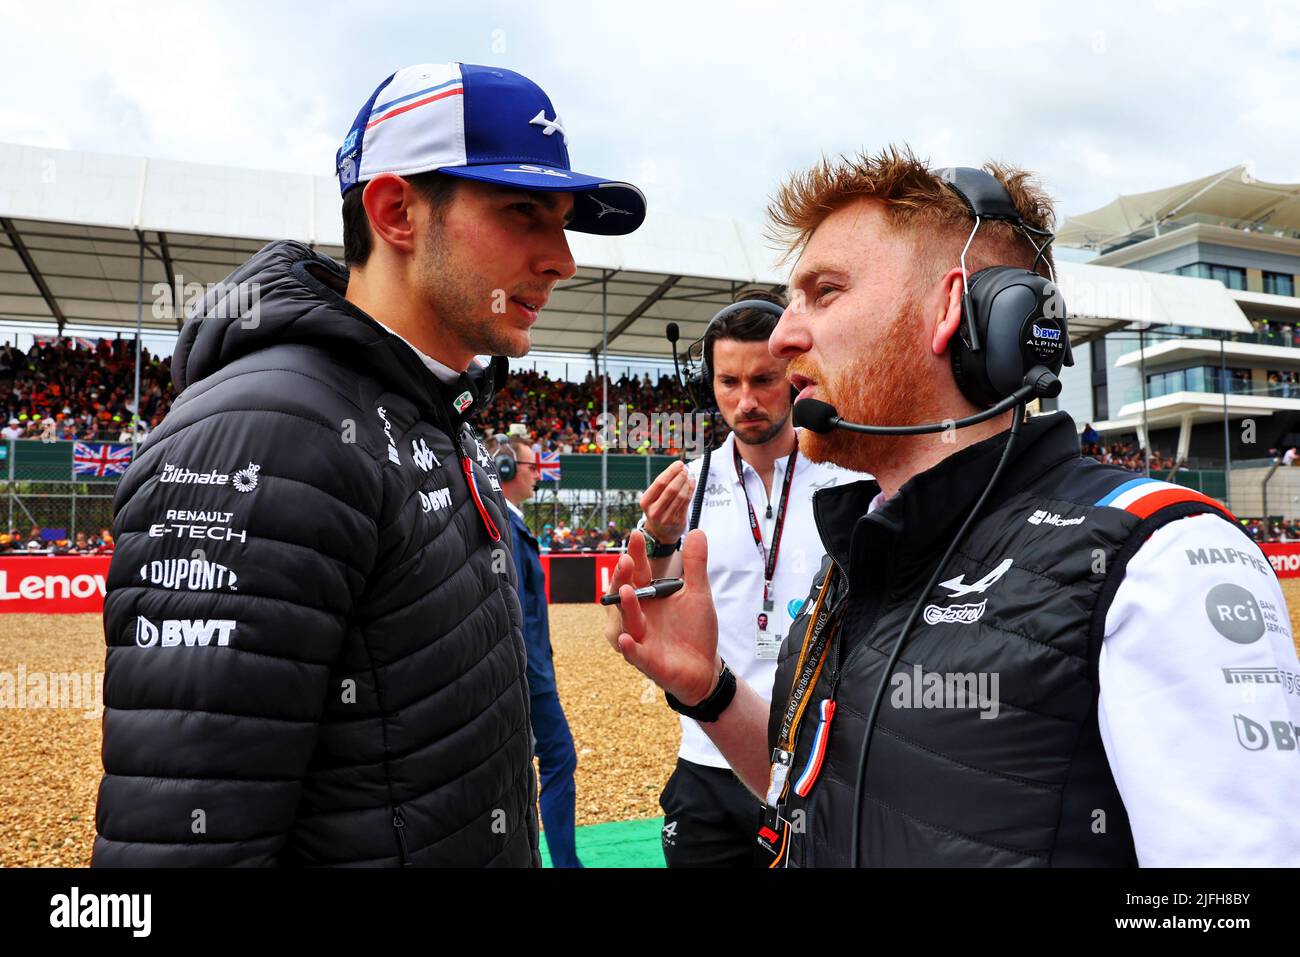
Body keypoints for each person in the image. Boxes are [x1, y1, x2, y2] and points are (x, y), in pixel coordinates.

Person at [606, 146, 1300, 867]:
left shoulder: (1160, 560)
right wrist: (709, 688)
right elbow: (813, 800)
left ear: (951, 308)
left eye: (824, 291)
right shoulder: (855, 560)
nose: (783, 336)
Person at [92, 62, 644, 867]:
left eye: (562, 220)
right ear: (395, 212)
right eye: (524, 212)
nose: (561, 257)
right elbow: (178, 842)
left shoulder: (433, 412)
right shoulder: (268, 432)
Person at [606, 290, 868, 867]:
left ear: (795, 378)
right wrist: (659, 540)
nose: (745, 400)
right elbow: (633, 611)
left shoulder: (852, 480)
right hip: (707, 758)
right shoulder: (685, 489)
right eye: (728, 382)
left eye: (763, 380)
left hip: (818, 764)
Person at [495, 434, 582, 868]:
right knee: (559, 757)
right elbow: (519, 613)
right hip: (529, 674)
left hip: (521, 670)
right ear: (507, 471)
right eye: (531, 467)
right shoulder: (507, 525)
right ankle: (566, 863)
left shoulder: (506, 521)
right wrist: (539, 674)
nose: (537, 475)